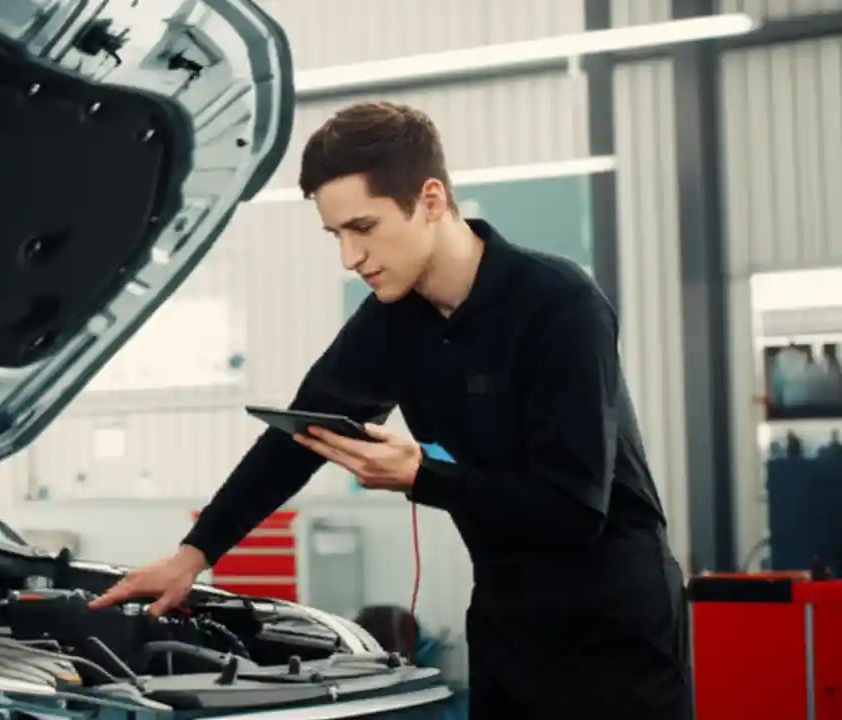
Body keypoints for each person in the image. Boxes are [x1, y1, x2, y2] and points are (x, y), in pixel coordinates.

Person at [90, 101, 691, 718]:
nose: (350, 257)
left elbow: (572, 509)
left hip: (613, 624)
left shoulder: (559, 304)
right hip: (507, 617)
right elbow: (300, 437)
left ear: (430, 200)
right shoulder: (390, 323)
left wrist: (422, 477)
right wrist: (193, 557)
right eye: (337, 235)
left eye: (365, 227)